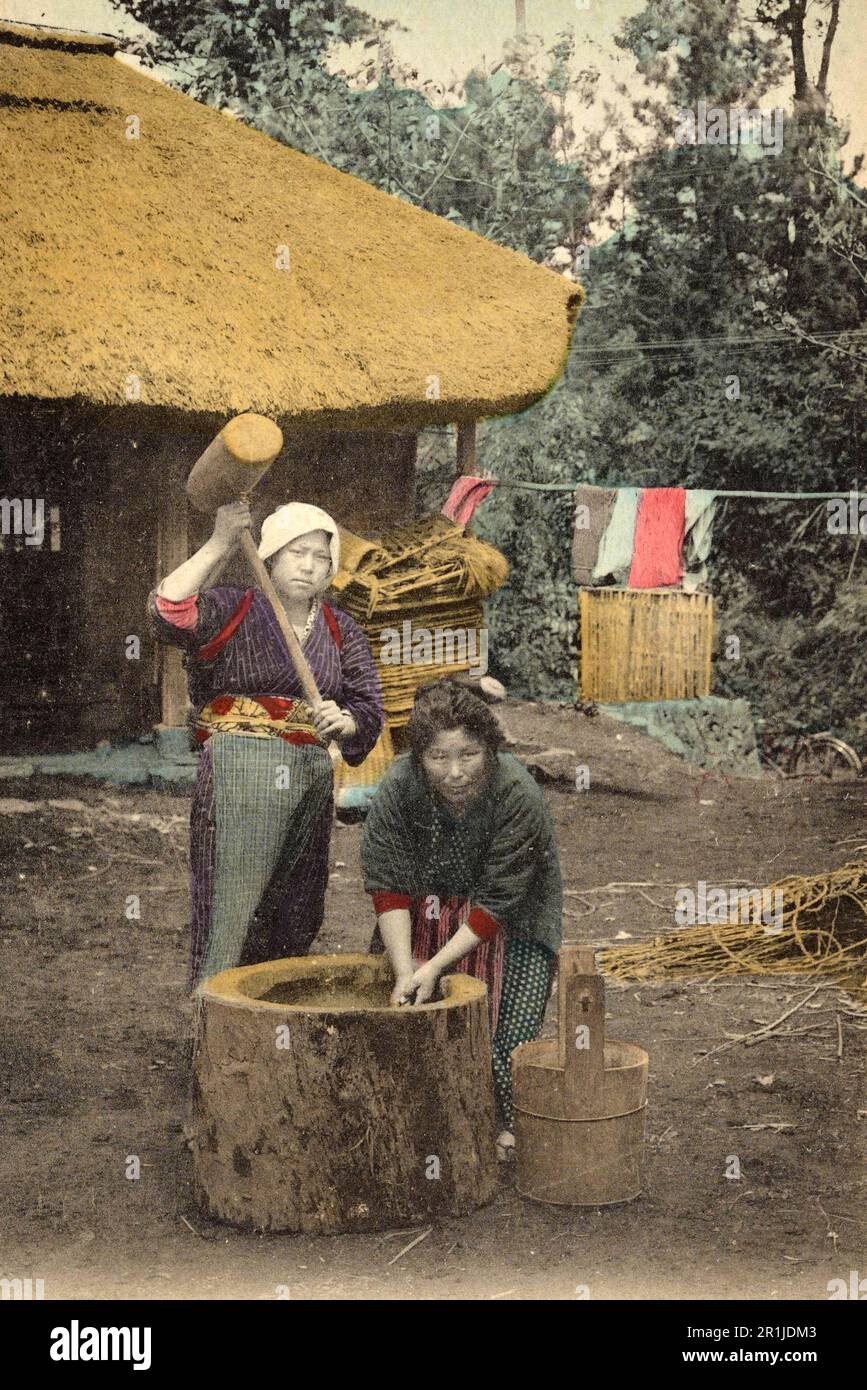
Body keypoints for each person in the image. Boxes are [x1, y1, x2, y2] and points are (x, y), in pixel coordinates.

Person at [148, 499, 383, 988]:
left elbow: (368, 710)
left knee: (296, 908)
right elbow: (169, 611)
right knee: (232, 902)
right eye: (297, 552)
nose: (309, 565)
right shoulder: (235, 607)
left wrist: (344, 722)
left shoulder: (343, 631)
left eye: (321, 556)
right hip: (240, 768)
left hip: (310, 777)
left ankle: (271, 1015)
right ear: (271, 556)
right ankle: (216, 1020)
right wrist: (218, 542)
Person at [360, 678, 562, 1159]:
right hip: (425, 910)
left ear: (489, 749)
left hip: (513, 919)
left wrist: (435, 967)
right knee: (397, 1026)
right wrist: (409, 968)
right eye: (438, 757)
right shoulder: (398, 788)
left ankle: (504, 1125)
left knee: (498, 1053)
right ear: (417, 757)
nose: (454, 772)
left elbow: (498, 900)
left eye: (468, 755)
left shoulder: (516, 792)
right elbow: (387, 884)